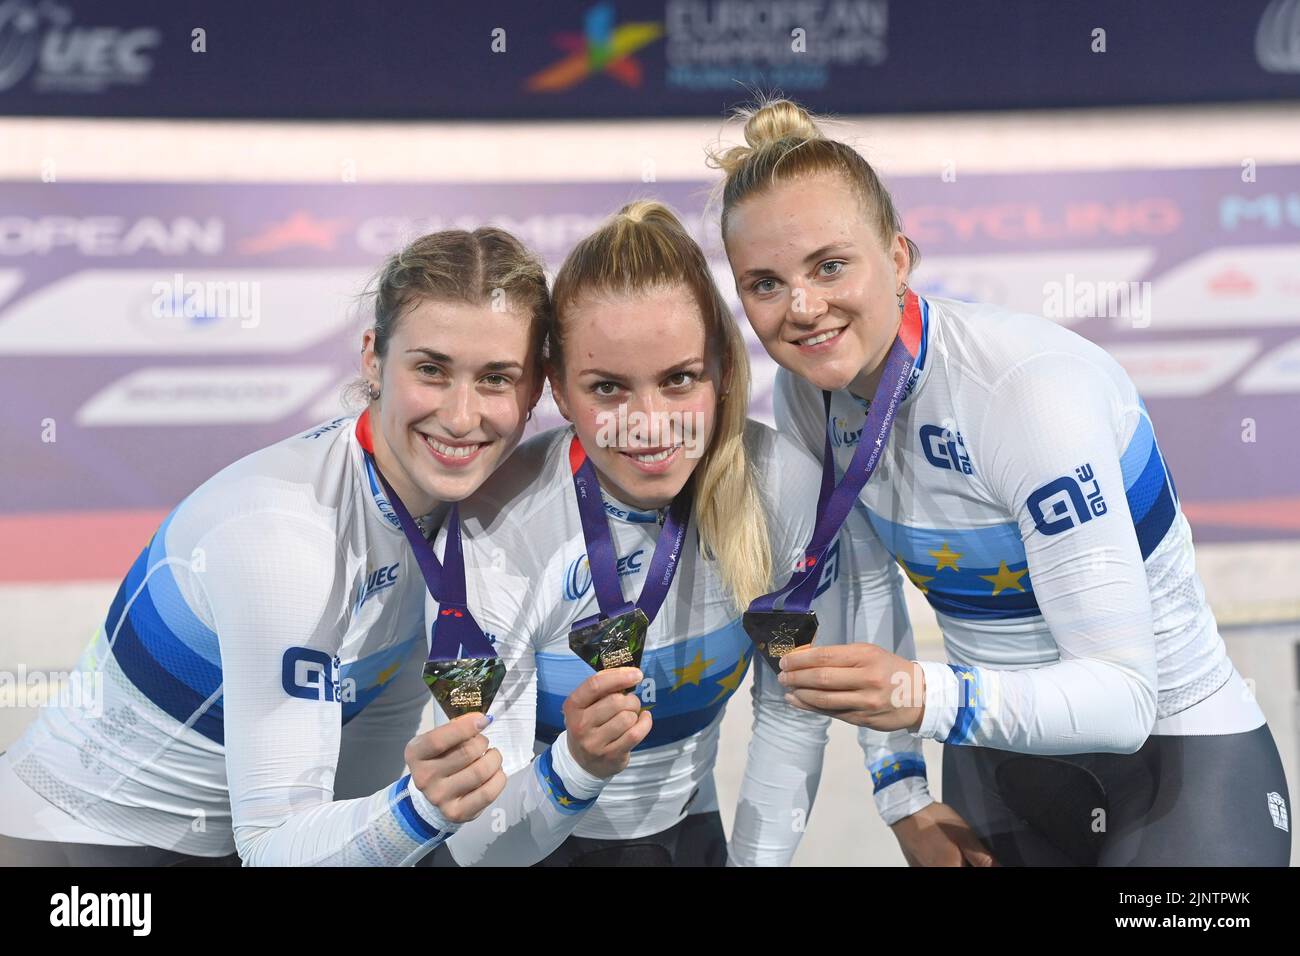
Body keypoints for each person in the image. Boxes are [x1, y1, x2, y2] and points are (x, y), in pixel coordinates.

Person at [710, 97, 1292, 865]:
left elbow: (1122, 699)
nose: (804, 308)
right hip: (997, 761)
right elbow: (868, 592)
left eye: (830, 265)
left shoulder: (1024, 392)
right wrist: (905, 798)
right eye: (765, 284)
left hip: (1176, 750)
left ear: (898, 257)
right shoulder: (807, 391)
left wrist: (922, 695)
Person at [419, 200, 989, 867]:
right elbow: (478, 844)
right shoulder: (497, 528)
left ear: (720, 370)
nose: (649, 424)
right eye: (607, 389)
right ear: (560, 390)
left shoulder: (778, 487)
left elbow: (789, 711)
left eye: (679, 380)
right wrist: (573, 766)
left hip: (690, 841)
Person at [0, 228, 549, 866]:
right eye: (431, 370)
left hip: (219, 848)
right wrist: (419, 809)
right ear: (373, 359)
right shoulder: (285, 536)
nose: (460, 416)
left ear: (536, 388)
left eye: (496, 379)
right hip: (74, 847)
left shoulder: (455, 515)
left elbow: (355, 787)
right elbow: (276, 850)